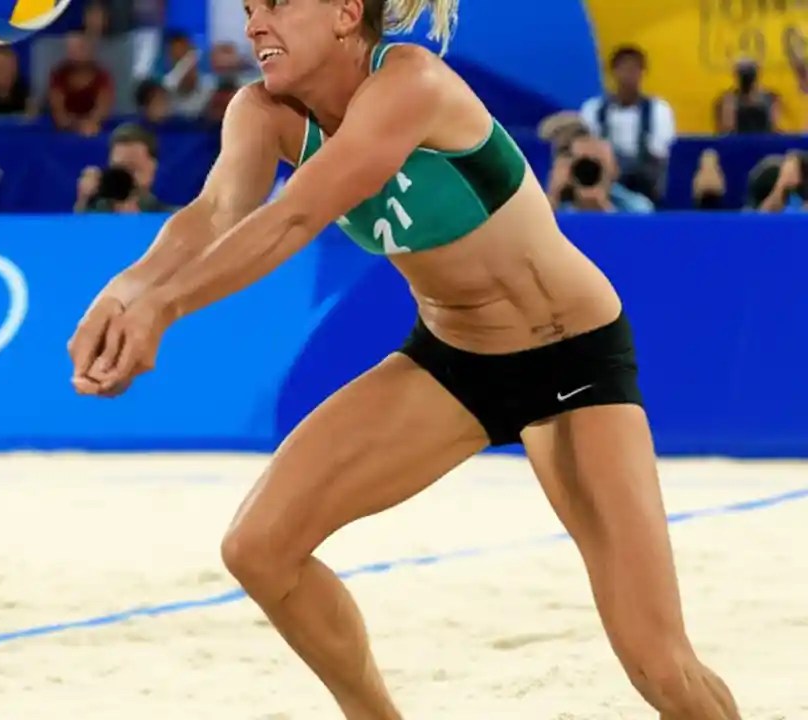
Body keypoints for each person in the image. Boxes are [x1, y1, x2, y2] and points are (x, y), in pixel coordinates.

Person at [66, 0, 741, 717]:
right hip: (454, 360)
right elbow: (215, 212)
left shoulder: (411, 82)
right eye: (248, 8)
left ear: (345, 12)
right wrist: (127, 288)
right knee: (258, 549)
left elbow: (295, 215)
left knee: (658, 665)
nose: (254, 23)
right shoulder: (261, 112)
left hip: (568, 360)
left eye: (276, 4)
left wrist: (165, 309)